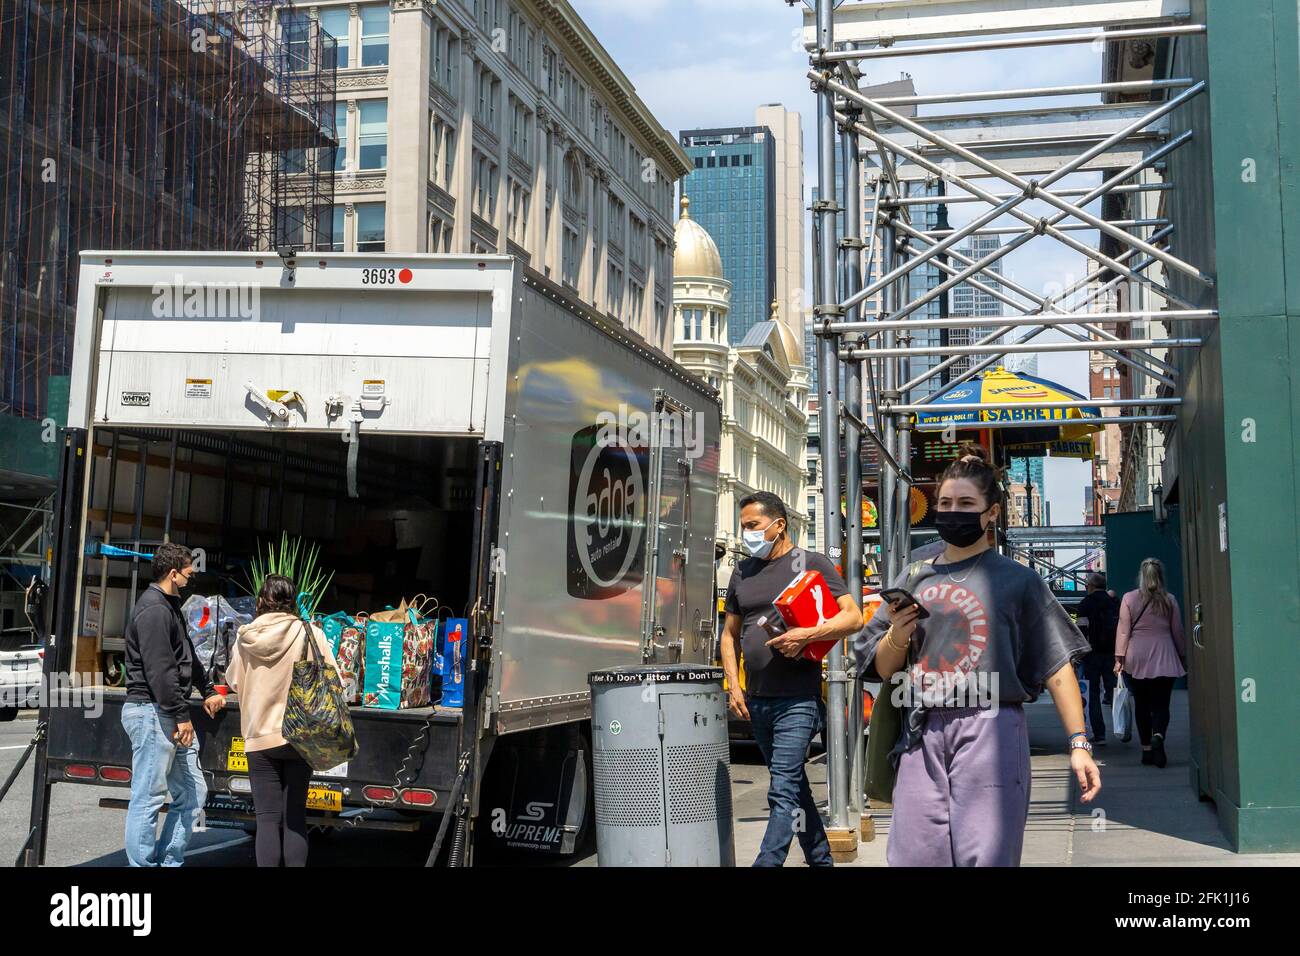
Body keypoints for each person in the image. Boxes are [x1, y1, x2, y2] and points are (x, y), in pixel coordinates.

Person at [856, 445, 1101, 867]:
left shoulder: (1019, 581)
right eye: (946, 503)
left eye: (966, 504)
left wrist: (1078, 743)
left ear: (992, 513)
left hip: (992, 726)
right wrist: (897, 633)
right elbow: (881, 667)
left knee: (987, 854)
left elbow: (1057, 664)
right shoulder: (914, 574)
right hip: (920, 728)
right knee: (914, 856)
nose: (953, 512)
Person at [721, 491, 864, 867]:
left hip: (798, 700)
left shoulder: (810, 563)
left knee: (782, 789)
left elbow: (853, 617)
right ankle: (821, 860)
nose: (747, 533)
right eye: (743, 526)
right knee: (795, 788)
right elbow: (729, 635)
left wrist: (807, 634)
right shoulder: (743, 571)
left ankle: (766, 863)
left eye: (753, 525)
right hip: (757, 700)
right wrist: (733, 685)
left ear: (779, 524)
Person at [121, 542, 227, 867]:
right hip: (153, 711)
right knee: (149, 796)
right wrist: (180, 715)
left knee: (194, 794)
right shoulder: (153, 610)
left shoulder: (169, 607)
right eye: (188, 574)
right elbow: (160, 670)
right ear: (172, 574)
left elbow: (186, 656)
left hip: (165, 712)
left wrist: (208, 689)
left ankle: (169, 862)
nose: (191, 579)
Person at [226, 574, 337, 867]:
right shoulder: (311, 633)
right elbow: (334, 678)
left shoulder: (246, 637)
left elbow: (234, 681)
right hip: (300, 736)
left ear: (261, 601)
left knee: (266, 819)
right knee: (294, 818)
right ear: (292, 601)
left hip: (259, 737)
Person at [1114, 558, 1185, 768]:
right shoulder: (1169, 600)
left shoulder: (1129, 598)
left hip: (1137, 656)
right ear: (1160, 576)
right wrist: (1183, 655)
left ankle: (1146, 750)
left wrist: (1119, 658)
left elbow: (1123, 630)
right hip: (1165, 655)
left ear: (1141, 576)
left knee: (1142, 705)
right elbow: (1177, 631)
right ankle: (1158, 736)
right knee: (1162, 705)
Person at [1075, 573, 1121, 743]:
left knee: (1093, 694)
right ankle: (1122, 726)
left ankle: (1099, 734)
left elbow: (1081, 631)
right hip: (1111, 653)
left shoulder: (1085, 604)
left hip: (1091, 654)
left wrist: (1079, 654)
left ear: (1091, 586)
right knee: (1115, 691)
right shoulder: (1114, 602)